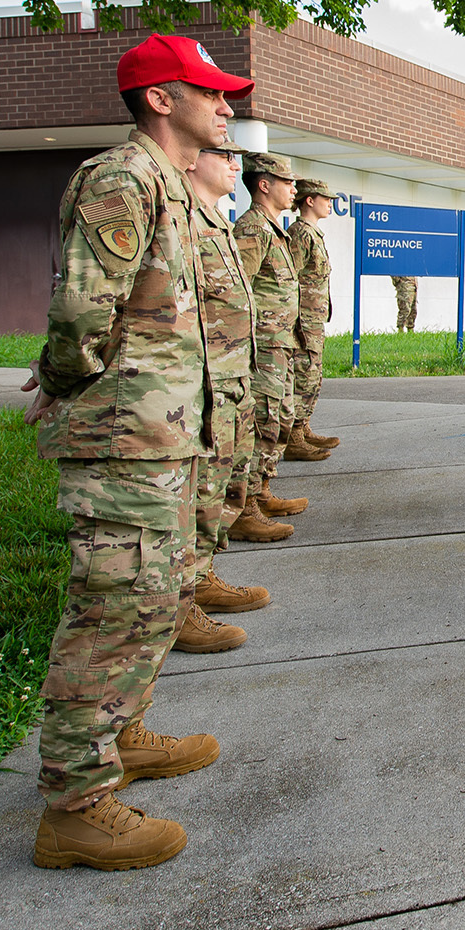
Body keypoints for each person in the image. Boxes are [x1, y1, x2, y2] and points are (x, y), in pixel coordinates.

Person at [20, 32, 240, 871]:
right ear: (160, 98)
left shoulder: (169, 188)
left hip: (161, 434)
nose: (225, 105)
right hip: (123, 437)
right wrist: (61, 380)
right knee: (111, 609)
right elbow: (82, 313)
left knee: (151, 600)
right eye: (209, 91)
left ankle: (124, 732)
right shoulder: (121, 177)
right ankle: (74, 807)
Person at [174, 142, 268, 651]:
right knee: (193, 496)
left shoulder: (213, 220)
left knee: (215, 490)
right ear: (192, 159)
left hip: (229, 379)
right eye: (224, 155)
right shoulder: (177, 216)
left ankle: (200, 577)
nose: (236, 165)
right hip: (194, 386)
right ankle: (182, 600)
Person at [232, 152, 315, 541]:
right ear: (263, 184)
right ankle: (244, 507)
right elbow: (237, 289)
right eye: (286, 182)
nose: (293, 189)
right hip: (262, 347)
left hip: (280, 344)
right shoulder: (253, 229)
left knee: (277, 419)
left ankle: (261, 491)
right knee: (261, 421)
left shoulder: (273, 229)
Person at [284, 178, 341, 458]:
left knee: (312, 376)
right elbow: (289, 277)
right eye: (325, 198)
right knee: (303, 377)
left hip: (313, 319)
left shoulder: (313, 233)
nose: (330, 203)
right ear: (309, 200)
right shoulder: (300, 234)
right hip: (302, 320)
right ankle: (294, 438)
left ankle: (303, 427)